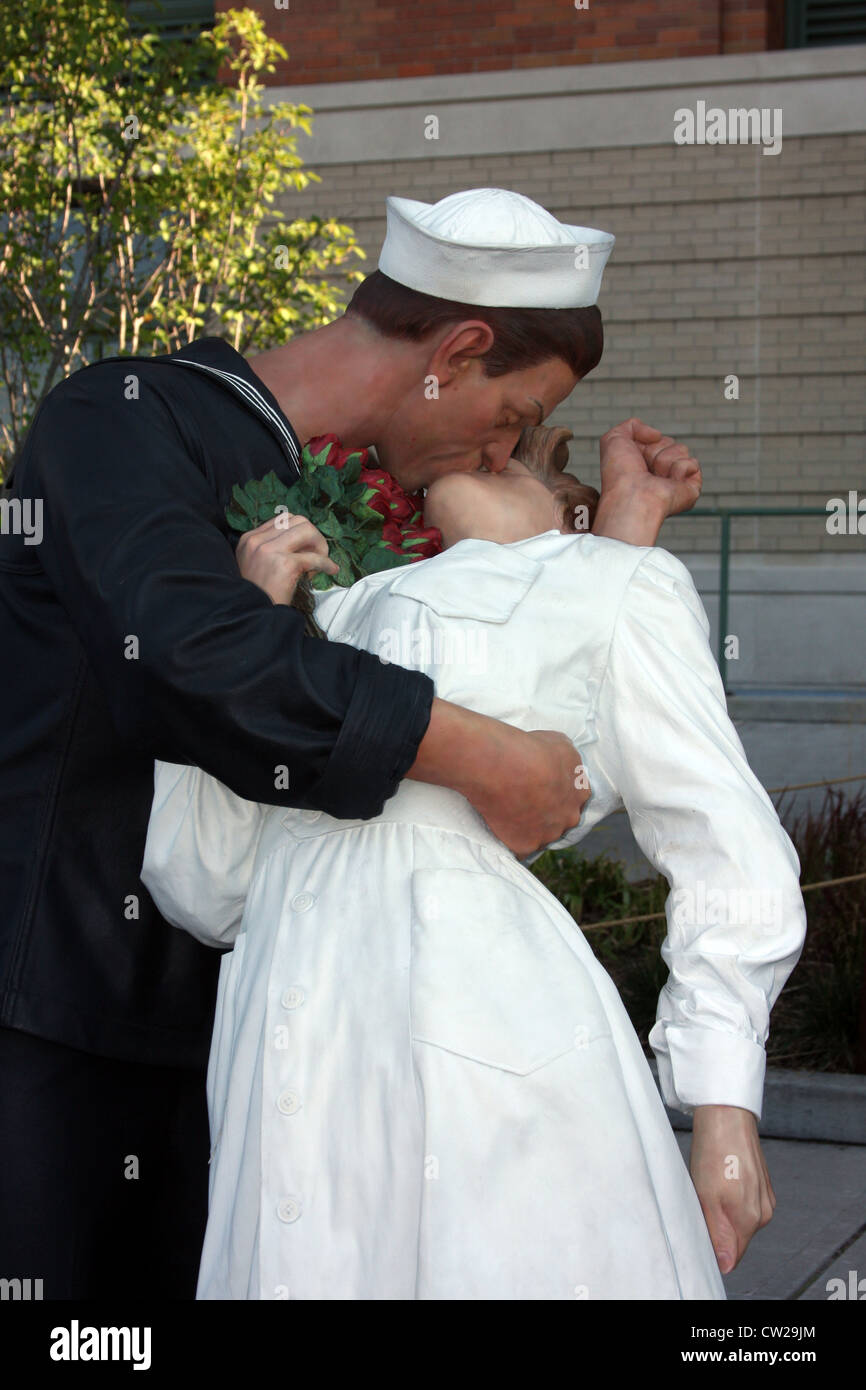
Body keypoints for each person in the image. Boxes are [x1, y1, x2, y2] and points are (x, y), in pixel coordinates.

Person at [0, 186, 648, 1299]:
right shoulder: (119, 418)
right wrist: (484, 753)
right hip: (62, 1015)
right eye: (510, 414)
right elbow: (195, 658)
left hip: (266, 1039)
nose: (505, 449)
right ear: (457, 347)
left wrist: (621, 558)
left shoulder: (398, 508)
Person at [141, 423, 806, 1301]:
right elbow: (203, 884)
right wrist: (250, 631)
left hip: (482, 1032)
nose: (494, 455)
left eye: (527, 463)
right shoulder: (334, 606)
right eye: (492, 443)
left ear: (576, 520)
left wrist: (726, 1109)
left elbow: (727, 842)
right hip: (287, 1037)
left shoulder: (612, 583)